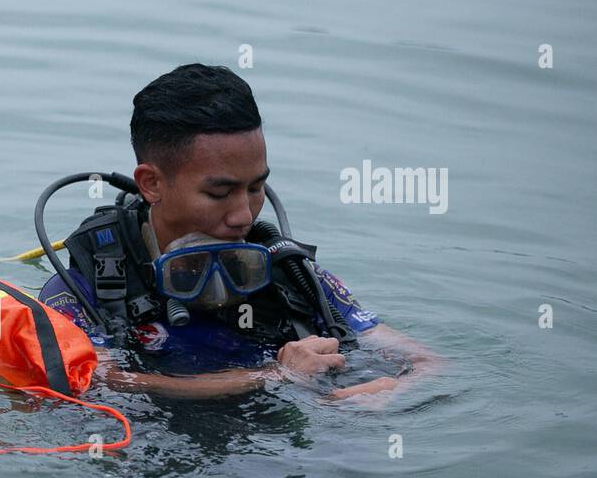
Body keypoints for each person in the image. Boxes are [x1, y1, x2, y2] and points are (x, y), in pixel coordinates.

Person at [39, 64, 441, 402]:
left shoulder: (291, 275)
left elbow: (428, 363)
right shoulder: (84, 287)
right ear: (151, 184)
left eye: (255, 187)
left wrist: (392, 390)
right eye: (219, 192)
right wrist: (276, 377)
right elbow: (93, 381)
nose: (243, 215)